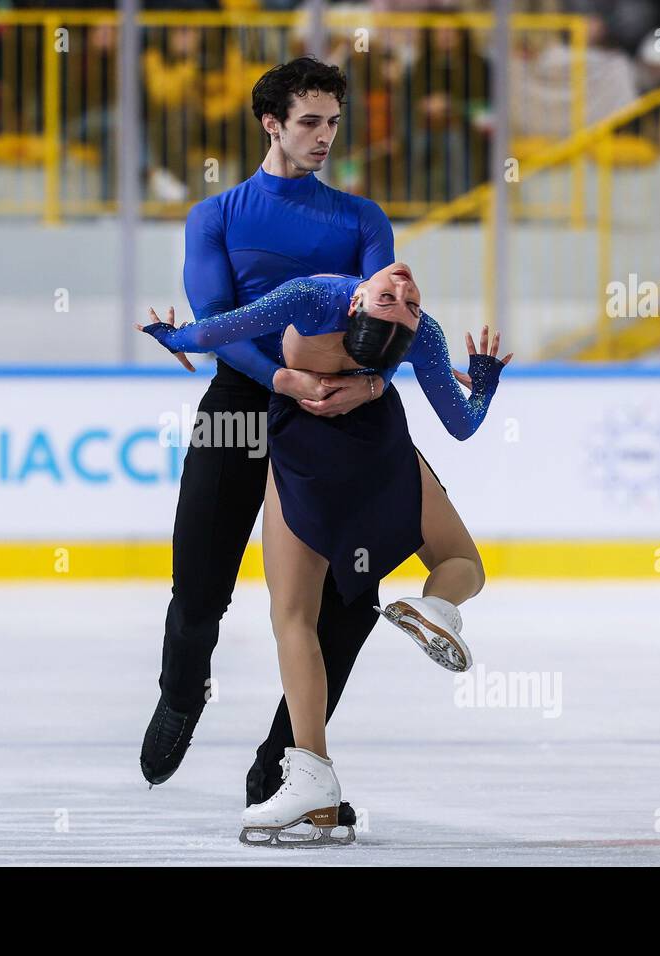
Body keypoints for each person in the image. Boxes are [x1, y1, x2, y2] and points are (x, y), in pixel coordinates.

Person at [138, 262, 510, 844]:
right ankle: (438, 608)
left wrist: (170, 337)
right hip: (376, 448)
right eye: (402, 297)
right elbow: (463, 425)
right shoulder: (423, 333)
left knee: (293, 616)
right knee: (462, 564)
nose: (408, 286)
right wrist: (484, 378)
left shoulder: (316, 297)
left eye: (401, 297)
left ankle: (311, 776)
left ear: (358, 302)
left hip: (303, 451)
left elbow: (217, 332)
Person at [139, 58, 399, 823]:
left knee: (351, 603)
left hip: (337, 412)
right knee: (200, 586)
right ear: (271, 123)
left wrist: (373, 384)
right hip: (245, 400)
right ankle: (183, 693)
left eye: (333, 123)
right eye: (310, 122)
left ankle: (286, 764)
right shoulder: (216, 216)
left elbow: (386, 323)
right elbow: (218, 318)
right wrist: (280, 379)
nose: (324, 138)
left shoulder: (361, 218)